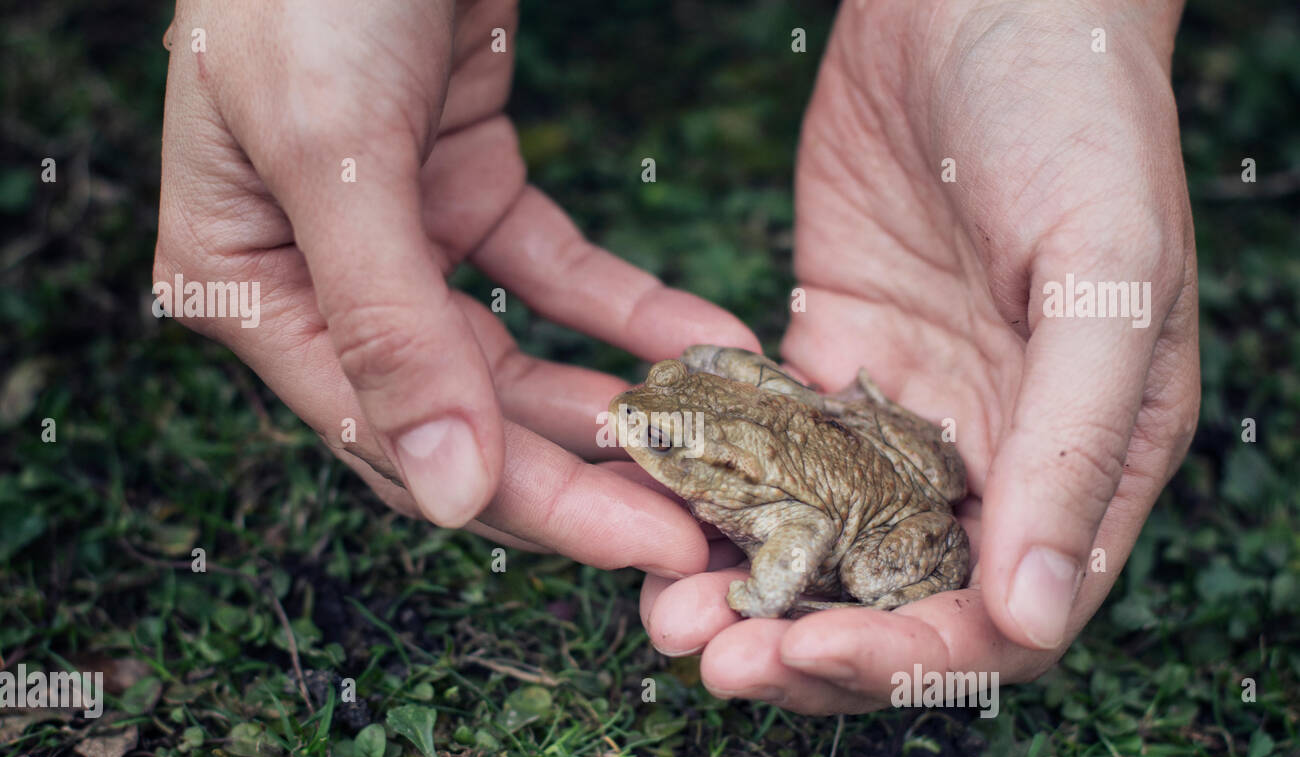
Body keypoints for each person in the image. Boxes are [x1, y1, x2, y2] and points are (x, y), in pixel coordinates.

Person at [154, 0, 1199, 714]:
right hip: (853, 440)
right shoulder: (726, 437)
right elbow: (733, 382)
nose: (634, 431)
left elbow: (790, 523)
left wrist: (759, 595)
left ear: (704, 462)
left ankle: (867, 569)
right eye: (650, 420)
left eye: (659, 435)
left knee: (873, 563)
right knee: (838, 448)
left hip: (879, 510)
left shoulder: (746, 488)